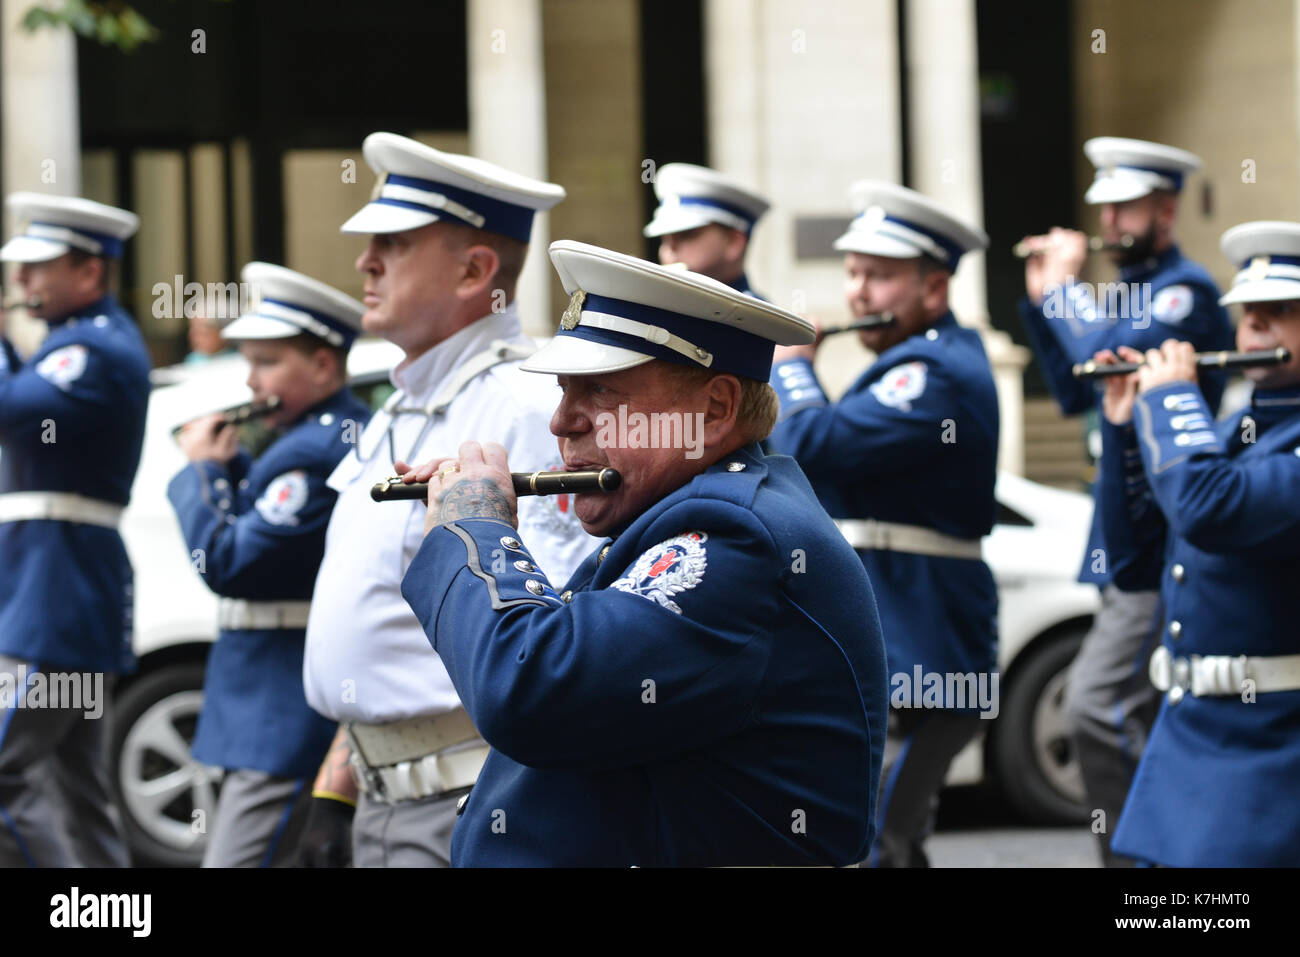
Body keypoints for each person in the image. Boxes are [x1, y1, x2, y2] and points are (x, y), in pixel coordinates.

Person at [396, 239, 887, 866]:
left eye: (599, 391)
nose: (561, 422)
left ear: (713, 410)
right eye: (564, 391)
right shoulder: (680, 517)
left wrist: (478, 530)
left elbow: (533, 689)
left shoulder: (735, 538)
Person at [299, 133, 595, 867]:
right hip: (382, 797)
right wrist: (334, 791)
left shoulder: (527, 409)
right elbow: (382, 619)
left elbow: (553, 631)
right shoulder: (401, 408)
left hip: (470, 801)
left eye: (393, 244)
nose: (365, 262)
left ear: (475, 269)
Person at [766, 181, 999, 867]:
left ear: (935, 286)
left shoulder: (933, 372)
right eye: (854, 272)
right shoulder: (917, 361)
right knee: (890, 837)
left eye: (881, 275)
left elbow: (812, 444)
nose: (859, 292)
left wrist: (796, 372)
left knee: (871, 840)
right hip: (913, 628)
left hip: (921, 634)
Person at [1016, 137, 1233, 865]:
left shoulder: (1187, 291)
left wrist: (1064, 291)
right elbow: (1078, 380)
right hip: (1125, 528)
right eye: (1103, 209)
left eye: (1125, 207)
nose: (1109, 223)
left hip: (1168, 529)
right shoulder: (1121, 297)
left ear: (1166, 209)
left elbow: (1115, 354)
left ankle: (1150, 864)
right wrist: (1043, 299)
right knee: (1126, 708)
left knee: (1097, 707)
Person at [1095, 220, 1300, 866]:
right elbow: (1133, 564)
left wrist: (1174, 403)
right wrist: (1126, 429)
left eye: (1282, 311)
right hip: (1189, 736)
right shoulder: (1237, 429)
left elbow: (1212, 509)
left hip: (1271, 747)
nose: (1256, 327)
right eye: (1248, 311)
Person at [168, 263, 371, 867]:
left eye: (267, 362)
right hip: (271, 694)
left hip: (280, 704)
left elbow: (231, 562)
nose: (251, 380)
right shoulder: (311, 435)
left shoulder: (313, 449)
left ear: (323, 366)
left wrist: (201, 469)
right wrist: (228, 469)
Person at [0, 192, 149, 867]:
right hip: (55, 590)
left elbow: (10, 408)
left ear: (89, 273)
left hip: (54, 595)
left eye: (39, 267)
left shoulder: (93, 346)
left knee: (8, 770)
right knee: (75, 781)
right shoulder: (77, 341)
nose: (22, 281)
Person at [644, 163, 770, 298]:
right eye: (665, 238)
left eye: (686, 234)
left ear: (734, 242)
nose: (670, 248)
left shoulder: (758, 317)